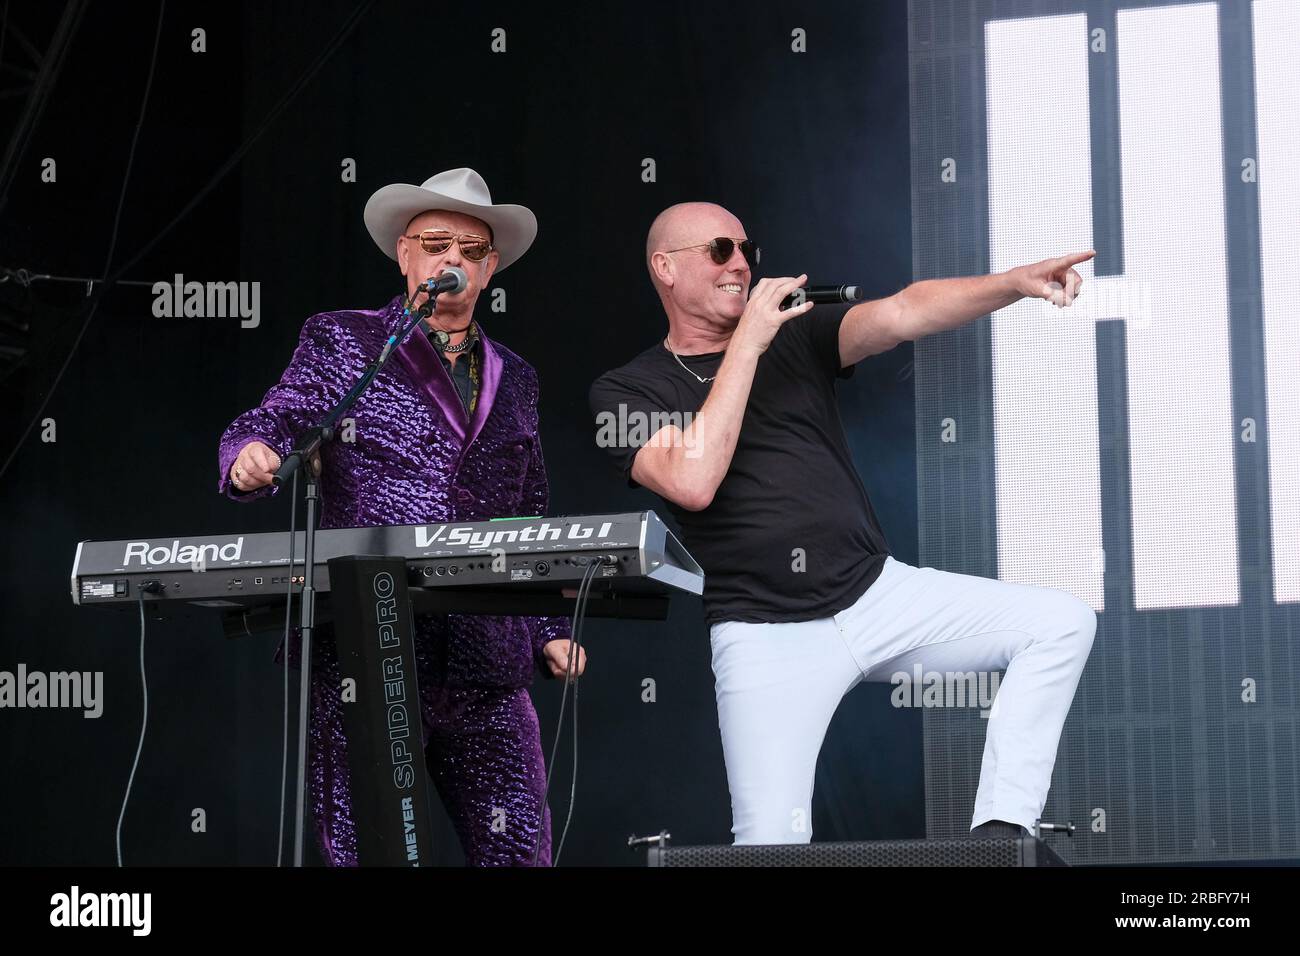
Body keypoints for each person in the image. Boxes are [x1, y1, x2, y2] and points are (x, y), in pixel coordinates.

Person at [589, 200, 1096, 844]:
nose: (741, 264)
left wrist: (1014, 283)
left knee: (1059, 623)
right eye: (720, 251)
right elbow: (692, 481)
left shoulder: (798, 338)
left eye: (748, 250)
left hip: (875, 595)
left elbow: (906, 310)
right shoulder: (627, 392)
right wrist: (746, 342)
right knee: (768, 849)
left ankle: (1001, 832)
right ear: (664, 267)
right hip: (763, 633)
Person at [218, 168, 586, 866]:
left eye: (471, 250)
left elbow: (530, 506)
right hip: (367, 642)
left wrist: (546, 628)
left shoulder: (519, 377)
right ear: (404, 254)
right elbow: (269, 420)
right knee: (366, 852)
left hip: (487, 657)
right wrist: (249, 454)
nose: (453, 260)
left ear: (490, 269)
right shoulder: (345, 341)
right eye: (437, 243)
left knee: (519, 854)